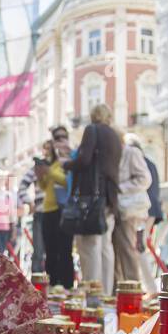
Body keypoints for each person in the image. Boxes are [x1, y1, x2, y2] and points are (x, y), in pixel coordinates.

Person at [66, 103, 122, 292]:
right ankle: (106, 292)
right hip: (110, 197)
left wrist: (67, 165)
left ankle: (92, 291)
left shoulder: (92, 130)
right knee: (106, 246)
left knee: (89, 245)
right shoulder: (115, 135)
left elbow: (84, 160)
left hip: (92, 196)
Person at [116, 133, 154, 292]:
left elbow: (145, 179)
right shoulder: (120, 154)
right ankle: (128, 289)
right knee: (124, 248)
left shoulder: (131, 153)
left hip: (131, 209)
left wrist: (121, 188)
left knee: (129, 248)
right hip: (123, 208)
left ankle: (133, 290)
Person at [34, 140, 73, 287]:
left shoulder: (64, 164)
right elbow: (45, 187)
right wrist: (40, 176)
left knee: (63, 249)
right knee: (50, 250)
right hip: (48, 210)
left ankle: (66, 283)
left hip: (61, 210)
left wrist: (48, 171)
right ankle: (52, 282)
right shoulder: (52, 165)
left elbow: (66, 182)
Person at [17, 160, 46, 272]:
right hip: (40, 212)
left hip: (56, 213)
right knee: (38, 251)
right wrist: (29, 202)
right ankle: (36, 284)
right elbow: (22, 187)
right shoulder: (37, 168)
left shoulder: (59, 164)